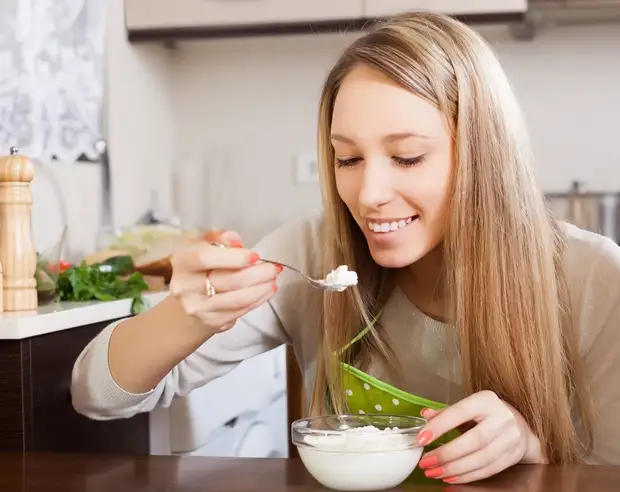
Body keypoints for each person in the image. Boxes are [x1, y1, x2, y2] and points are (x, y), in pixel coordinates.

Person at [70, 11, 620, 484]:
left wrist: (532, 451)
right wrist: (186, 315)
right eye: (347, 159)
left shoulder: (594, 279)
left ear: (483, 157)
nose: (369, 195)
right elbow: (96, 395)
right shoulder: (313, 254)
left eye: (407, 157)